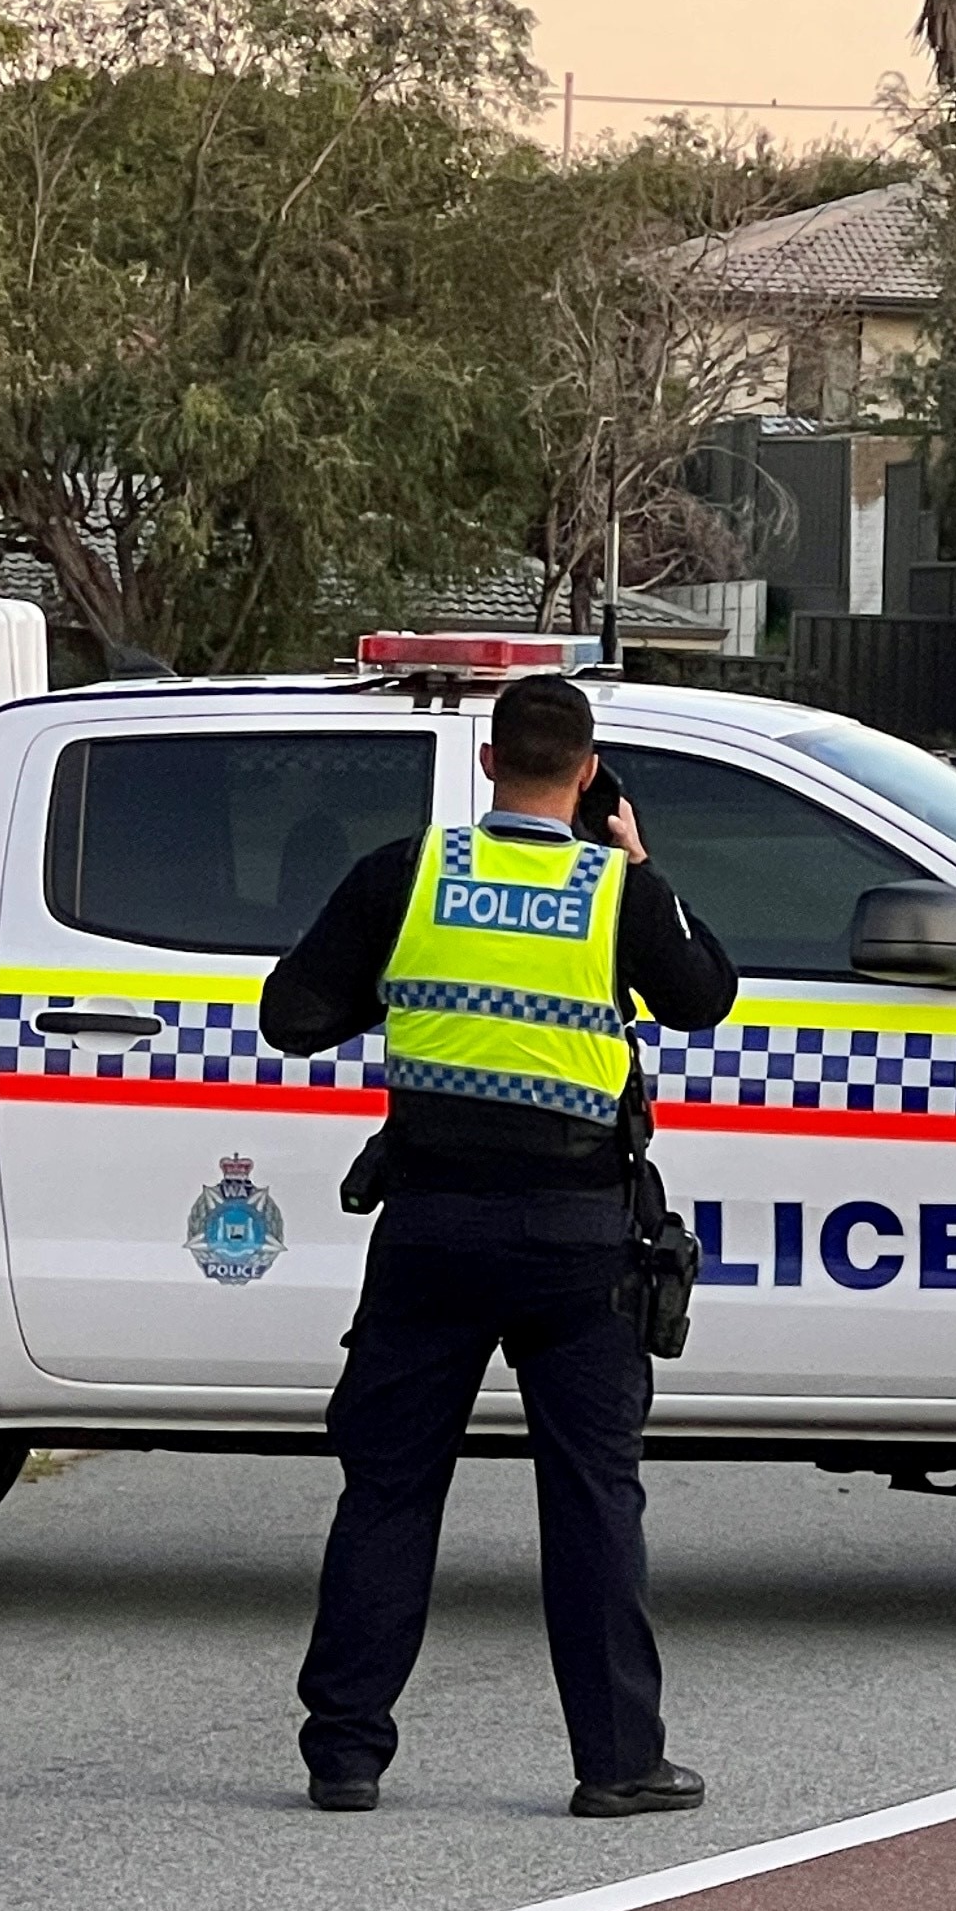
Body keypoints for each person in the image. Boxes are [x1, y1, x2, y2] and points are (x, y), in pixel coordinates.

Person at [260, 671, 737, 1818]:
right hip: (578, 1243)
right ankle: (619, 1763)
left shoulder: (406, 873)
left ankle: (345, 1755)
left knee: (387, 1489)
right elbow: (702, 997)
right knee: (590, 1497)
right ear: (586, 775)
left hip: (431, 1229)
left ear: (487, 764)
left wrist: (406, 988)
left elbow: (294, 1015)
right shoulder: (612, 888)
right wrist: (639, 865)